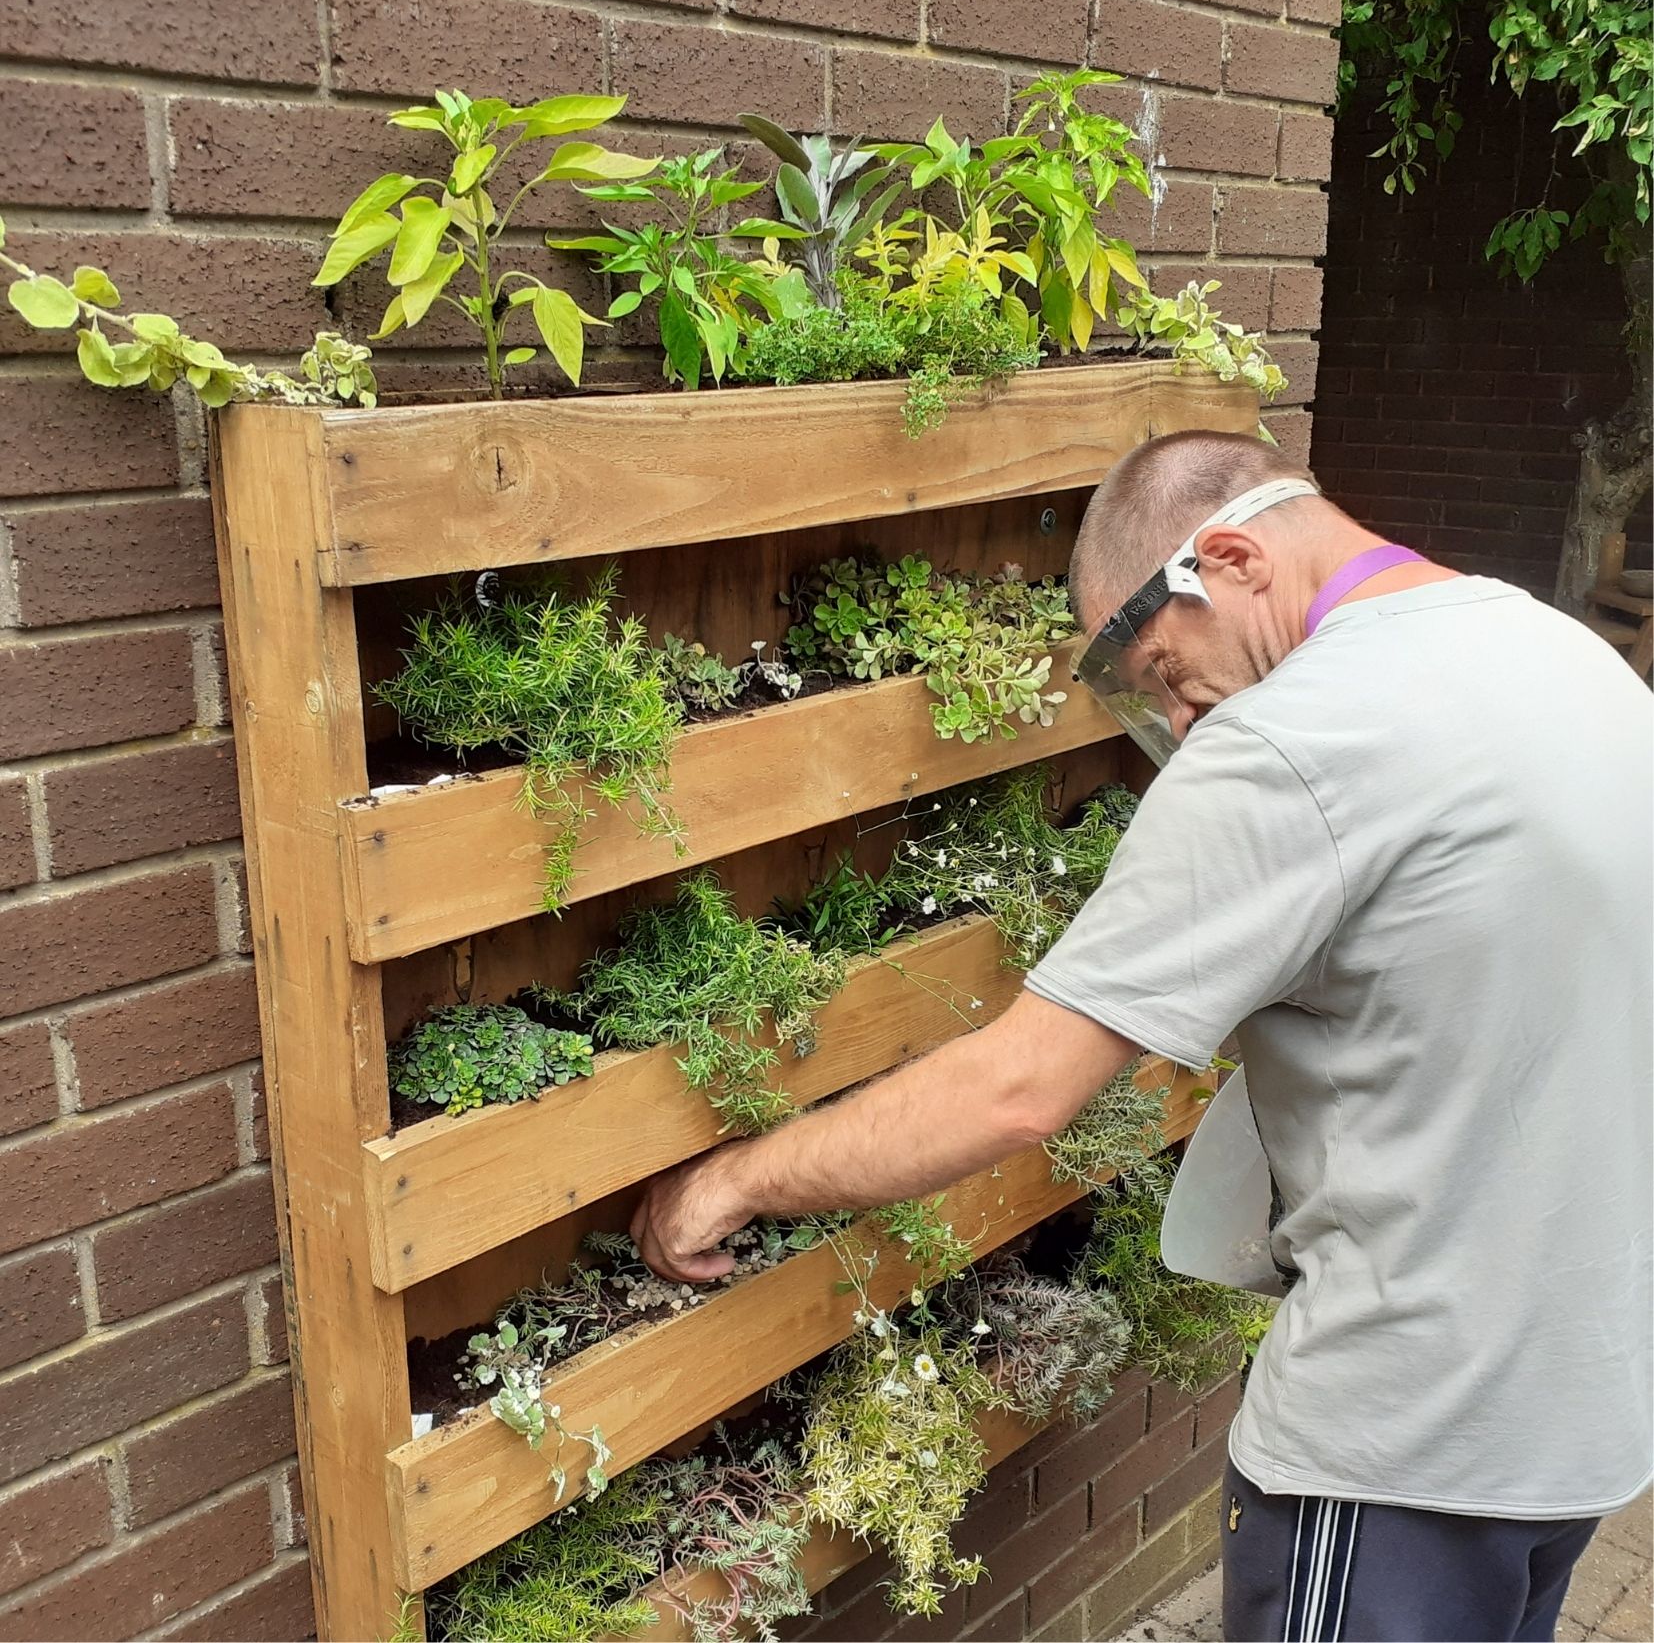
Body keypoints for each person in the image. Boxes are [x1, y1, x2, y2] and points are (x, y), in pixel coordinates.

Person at [630, 429, 1653, 1642]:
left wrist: (731, 1179)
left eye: (1163, 665)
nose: (1176, 712)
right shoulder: (1558, 652)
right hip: (1584, 1412)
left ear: (1229, 558)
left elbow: (1016, 1089)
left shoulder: (1291, 744)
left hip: (1404, 1448)